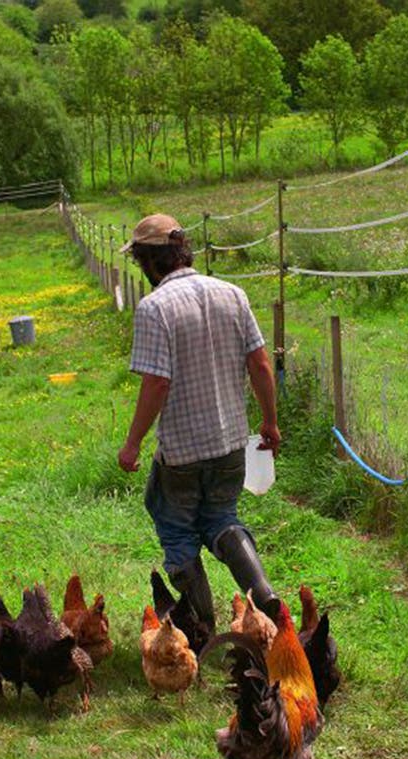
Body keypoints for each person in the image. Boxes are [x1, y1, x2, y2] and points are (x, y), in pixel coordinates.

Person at [117, 213, 282, 628]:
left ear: (151, 261)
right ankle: (264, 596)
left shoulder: (155, 308)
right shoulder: (232, 293)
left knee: (175, 529)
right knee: (222, 518)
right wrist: (270, 422)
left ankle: (204, 629)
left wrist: (133, 443)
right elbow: (260, 363)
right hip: (230, 444)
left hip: (183, 452)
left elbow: (157, 383)